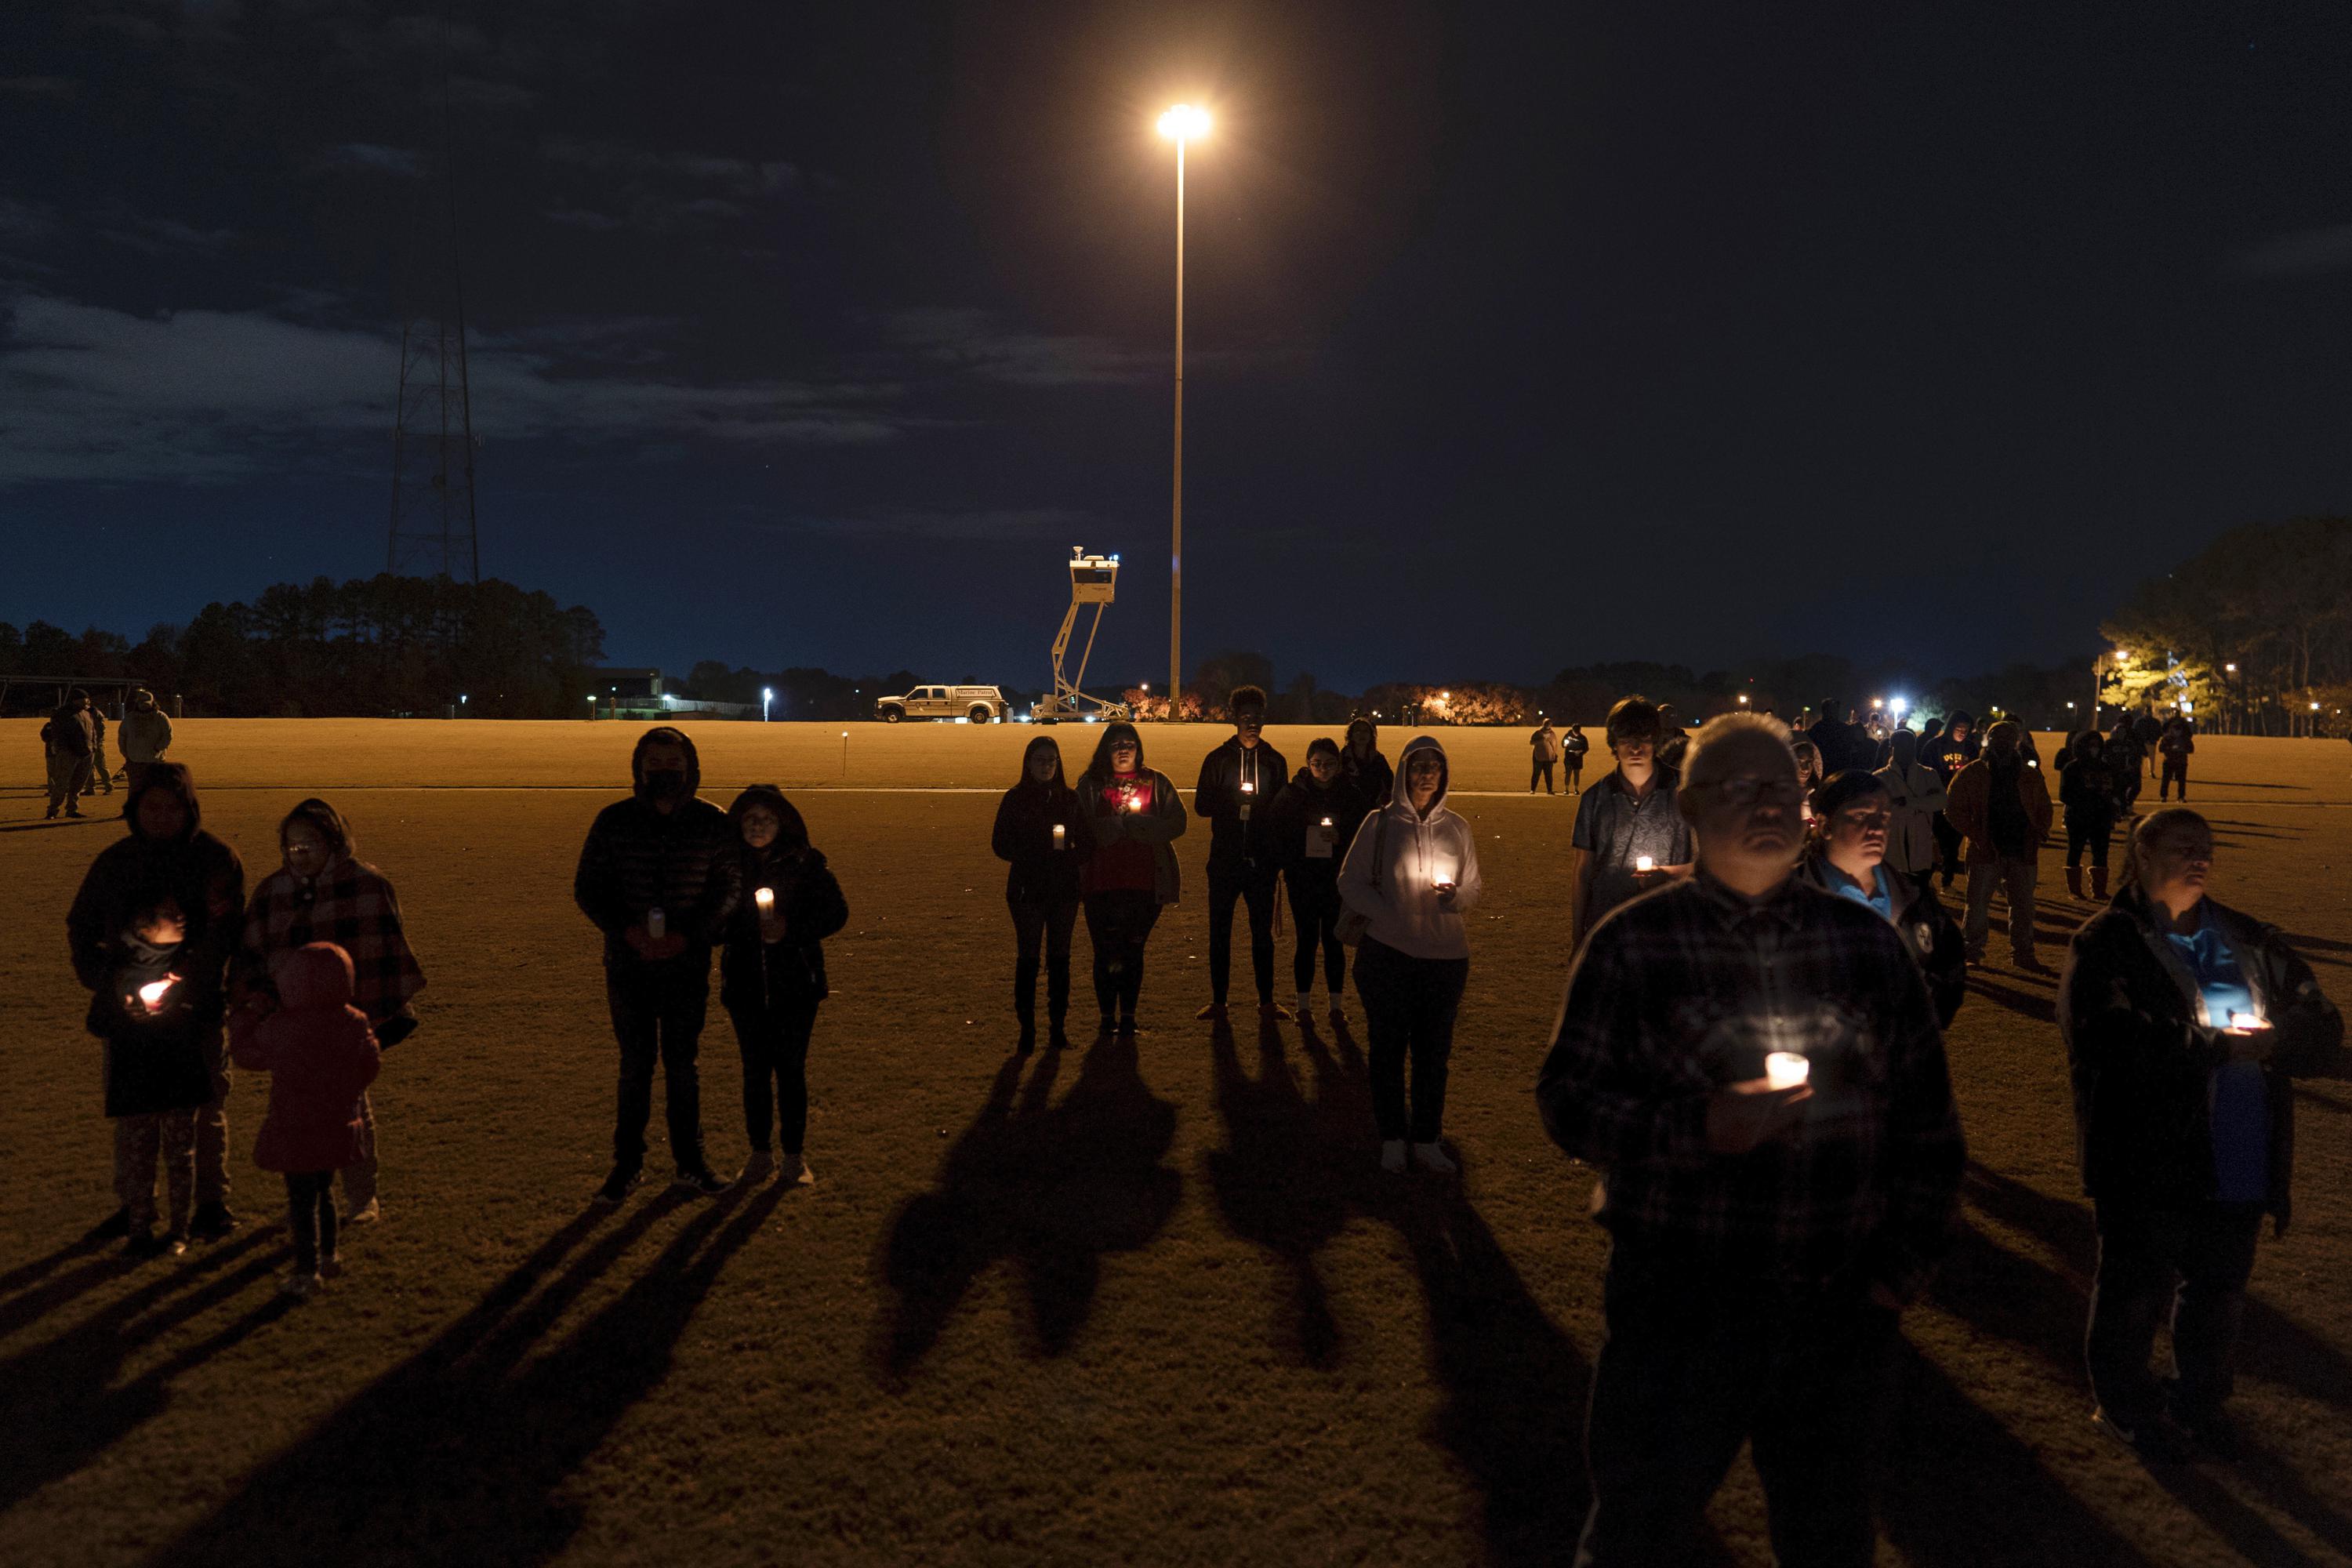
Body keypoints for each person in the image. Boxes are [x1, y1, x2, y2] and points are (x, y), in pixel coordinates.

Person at [1537, 713, 1965, 1567]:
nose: (1767, 803)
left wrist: (1894, 1276)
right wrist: (1695, 1127)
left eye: (1781, 786)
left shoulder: (1865, 945)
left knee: (1829, 1533)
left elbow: (1929, 1125)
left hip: (1836, 1310)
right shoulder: (1635, 944)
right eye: (1739, 787)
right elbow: (1570, 1101)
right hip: (1677, 1307)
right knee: (1640, 1526)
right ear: (1691, 805)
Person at [2060, 808, 2347, 1461]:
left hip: (2241, 1141)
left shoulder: (2246, 938)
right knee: (2136, 1286)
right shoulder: (2108, 942)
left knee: (2219, 1290)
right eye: (2183, 847)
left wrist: (2279, 1042)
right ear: (2141, 855)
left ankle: (2201, 1399)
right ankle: (2126, 1405)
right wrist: (2212, 1047)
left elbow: (2321, 1021)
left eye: (2207, 849)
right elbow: (2102, 1036)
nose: (2200, 858)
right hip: (2149, 1147)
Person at [67, 764, 246, 1240]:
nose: (163, 816)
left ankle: (211, 1202)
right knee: (133, 1111)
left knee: (205, 1107)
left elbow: (225, 932)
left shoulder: (214, 859)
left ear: (189, 808)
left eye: (173, 806)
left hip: (196, 1012)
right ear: (135, 809)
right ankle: (133, 1203)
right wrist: (104, 978)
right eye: (152, 806)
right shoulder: (117, 861)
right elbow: (81, 925)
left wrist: (189, 982)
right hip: (128, 1015)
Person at [234, 798, 425, 1225]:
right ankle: (308, 1197)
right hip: (291, 1026)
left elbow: (384, 953)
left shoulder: (367, 886)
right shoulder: (273, 891)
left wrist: (368, 1020)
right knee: (294, 1114)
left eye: (309, 845)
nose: (299, 854)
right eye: (291, 846)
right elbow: (251, 955)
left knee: (352, 1108)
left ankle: (362, 1198)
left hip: (345, 1023)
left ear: (333, 843)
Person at [573, 726, 742, 1204]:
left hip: (687, 966)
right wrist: (627, 933)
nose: (665, 771)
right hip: (628, 966)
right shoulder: (613, 821)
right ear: (639, 767)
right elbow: (589, 888)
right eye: (655, 762)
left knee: (683, 1066)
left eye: (673, 762)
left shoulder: (713, 822)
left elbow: (729, 889)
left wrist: (689, 937)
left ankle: (691, 1164)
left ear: (690, 766)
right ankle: (627, 1167)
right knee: (635, 1065)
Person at [1339, 736, 1481, 1175]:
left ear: (1443, 775)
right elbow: (1349, 881)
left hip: (1444, 958)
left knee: (1433, 1054)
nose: (1425, 775)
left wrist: (1455, 897)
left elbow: (1475, 887)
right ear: (1403, 773)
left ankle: (1426, 1138)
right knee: (1386, 1049)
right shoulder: (1380, 824)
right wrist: (1388, 914)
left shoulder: (1456, 828)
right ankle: (1392, 1137)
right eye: (1417, 766)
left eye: (1433, 767)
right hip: (1389, 955)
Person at [231, 943, 381, 1298]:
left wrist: (244, 1016)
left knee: (301, 1202)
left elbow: (249, 1055)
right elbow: (370, 1063)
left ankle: (306, 1270)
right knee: (325, 1193)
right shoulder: (353, 1021)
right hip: (337, 1122)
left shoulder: (284, 1026)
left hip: (296, 1126)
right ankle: (329, 1255)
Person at [722, 785, 848, 1186]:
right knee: (755, 1071)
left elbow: (836, 913)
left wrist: (788, 930)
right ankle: (760, 1154)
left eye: (767, 819)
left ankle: (794, 1157)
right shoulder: (728, 867)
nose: (758, 826)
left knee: (791, 1070)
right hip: (744, 984)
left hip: (796, 984)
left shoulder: (805, 864)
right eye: (751, 819)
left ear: (783, 824)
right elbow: (713, 921)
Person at [91, 890, 213, 1257]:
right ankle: (139, 1229)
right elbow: (96, 1022)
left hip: (180, 1074)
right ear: (143, 925)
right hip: (136, 1079)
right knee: (139, 1156)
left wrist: (180, 1007)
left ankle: (179, 1231)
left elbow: (209, 1013)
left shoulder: (191, 965)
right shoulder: (119, 969)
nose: (180, 917)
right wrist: (126, 1011)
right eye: (168, 913)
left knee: (181, 1156)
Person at [1801, 771, 1967, 1026]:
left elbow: (1949, 961)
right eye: (1861, 816)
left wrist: (1922, 1024)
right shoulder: (1785, 899)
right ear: (1825, 826)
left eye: (1884, 817)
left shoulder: (1914, 897)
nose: (1877, 828)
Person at [1076, 722, 1189, 1036]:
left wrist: (1144, 826)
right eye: (1116, 744)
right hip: (1101, 882)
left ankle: (1128, 1016)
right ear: (1105, 750)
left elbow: (1178, 822)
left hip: (1144, 883)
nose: (1123, 749)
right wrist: (1106, 830)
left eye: (1130, 743)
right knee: (1105, 951)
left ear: (1138, 749)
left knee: (1132, 951)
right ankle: (1105, 1018)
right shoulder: (1090, 784)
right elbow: (1077, 828)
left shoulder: (1156, 781)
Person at [1194, 686, 1290, 1021]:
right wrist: (1232, 800)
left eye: (1257, 718)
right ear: (1235, 719)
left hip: (1261, 864)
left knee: (1261, 934)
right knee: (1219, 932)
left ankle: (1267, 1002)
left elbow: (1283, 812)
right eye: (1246, 718)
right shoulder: (1217, 759)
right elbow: (1201, 806)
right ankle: (1219, 1002)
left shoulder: (1275, 761)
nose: (1253, 724)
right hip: (1224, 860)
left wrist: (1274, 855)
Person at [1571, 698, 1694, 951]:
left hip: (1669, 927)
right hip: (1607, 927)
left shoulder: (1685, 793)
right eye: (1627, 740)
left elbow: (1710, 866)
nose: (1636, 748)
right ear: (1614, 745)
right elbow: (1583, 872)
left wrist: (1668, 874)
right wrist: (1578, 937)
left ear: (1656, 740)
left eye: (1644, 738)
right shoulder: (1595, 798)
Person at [992, 737, 1090, 1053]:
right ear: (1028, 763)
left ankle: (1058, 1027)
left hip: (1063, 889)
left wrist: (1069, 856)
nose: (1046, 766)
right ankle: (1027, 1029)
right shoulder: (1015, 799)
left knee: (1060, 958)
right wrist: (1032, 852)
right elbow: (1000, 844)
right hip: (1027, 888)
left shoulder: (1070, 799)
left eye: (1051, 760)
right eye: (1040, 760)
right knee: (1029, 958)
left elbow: (1088, 843)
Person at [1265, 737, 1368, 1022]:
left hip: (1338, 880)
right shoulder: (1292, 794)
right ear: (1308, 763)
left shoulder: (1349, 794)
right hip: (1304, 880)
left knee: (1334, 942)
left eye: (1329, 764)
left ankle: (1336, 1007)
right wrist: (1299, 847)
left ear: (1338, 765)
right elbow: (1276, 832)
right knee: (1307, 941)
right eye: (1317, 764)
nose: (1322, 769)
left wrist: (1341, 838)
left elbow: (1364, 835)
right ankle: (1304, 1006)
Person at [1946, 720, 2053, 971]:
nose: (2002, 741)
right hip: (1986, 849)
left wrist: (2037, 835)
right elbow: (1953, 809)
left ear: (2016, 740)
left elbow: (2044, 808)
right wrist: (1977, 835)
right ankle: (1971, 951)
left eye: (2008, 736)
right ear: (1988, 739)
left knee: (2024, 905)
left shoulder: (2029, 774)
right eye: (1997, 736)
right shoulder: (1972, 772)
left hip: (2021, 849)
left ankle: (2023, 953)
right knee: (1977, 905)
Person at [2057, 731, 2123, 902]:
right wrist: (2086, 798)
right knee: (2075, 850)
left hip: (2101, 817)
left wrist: (2112, 804)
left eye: (2097, 745)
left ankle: (2099, 890)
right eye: (2091, 745)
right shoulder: (2072, 768)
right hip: (2078, 816)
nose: (2094, 749)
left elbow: (2114, 789)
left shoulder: (2106, 767)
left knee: (2101, 852)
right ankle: (2075, 891)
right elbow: (2064, 795)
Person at [1875, 730, 1947, 882]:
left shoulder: (1928, 774)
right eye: (1900, 746)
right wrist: (1922, 803)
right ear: (1891, 749)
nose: (1905, 750)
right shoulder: (1879, 778)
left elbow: (1941, 801)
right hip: (1892, 842)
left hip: (1920, 840)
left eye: (1909, 746)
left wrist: (1908, 802)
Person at [1921, 711, 1977, 890]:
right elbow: (1924, 773)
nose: (1962, 732)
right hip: (1938, 802)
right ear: (1951, 727)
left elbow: (1976, 772)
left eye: (1966, 729)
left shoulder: (1970, 748)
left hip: (1960, 804)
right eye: (1959, 728)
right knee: (1936, 844)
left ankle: (1947, 881)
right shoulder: (1934, 746)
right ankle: (1924, 881)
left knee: (1954, 845)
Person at [42, 688, 96, 818]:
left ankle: (72, 809)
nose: (87, 701)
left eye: (87, 699)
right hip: (69, 754)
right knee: (62, 783)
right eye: (84, 699)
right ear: (76, 700)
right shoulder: (62, 714)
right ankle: (53, 810)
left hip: (87, 753)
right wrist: (63, 749)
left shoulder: (87, 713)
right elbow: (58, 734)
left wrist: (93, 747)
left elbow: (93, 731)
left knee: (78, 784)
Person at [118, 688, 173, 795]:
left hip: (154, 761)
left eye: (147, 703)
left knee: (154, 790)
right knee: (134, 790)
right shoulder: (130, 718)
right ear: (137, 703)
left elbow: (168, 735)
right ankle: (134, 811)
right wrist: (126, 754)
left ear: (153, 703)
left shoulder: (161, 717)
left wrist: (158, 748)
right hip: (134, 761)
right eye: (142, 703)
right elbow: (122, 736)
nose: (144, 706)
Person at [1341, 717, 1393, 807]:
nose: (1362, 734)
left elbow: (1390, 783)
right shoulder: (1342, 758)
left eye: (1365, 731)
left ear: (1370, 735)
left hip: (1373, 808)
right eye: (1357, 731)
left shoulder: (1378, 759)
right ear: (1351, 735)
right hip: (1348, 808)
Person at [2106, 717, 2147, 815]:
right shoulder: (2110, 743)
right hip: (2116, 772)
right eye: (2119, 732)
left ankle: (2126, 807)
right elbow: (2105, 756)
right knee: (2119, 792)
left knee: (2134, 787)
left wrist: (2132, 766)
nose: (2122, 734)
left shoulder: (2129, 744)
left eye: (2123, 732)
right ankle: (2121, 811)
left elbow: (2136, 756)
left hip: (2127, 771)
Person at [2158, 713, 2195, 800]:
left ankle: (2181, 796)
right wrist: (2170, 749)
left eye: (2179, 730)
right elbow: (2161, 749)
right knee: (2166, 780)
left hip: (2181, 761)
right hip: (2169, 761)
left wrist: (2182, 749)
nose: (2177, 732)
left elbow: (2191, 750)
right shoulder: (2167, 738)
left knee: (2182, 780)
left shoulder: (2185, 739)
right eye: (2175, 730)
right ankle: (2164, 796)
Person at [85, 698, 114, 797]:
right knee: (89, 767)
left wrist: (97, 742)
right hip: (88, 744)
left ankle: (109, 786)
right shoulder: (87, 713)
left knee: (101, 766)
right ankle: (90, 788)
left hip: (96, 744)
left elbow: (101, 730)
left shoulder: (95, 713)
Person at [1790, 739, 1825, 817]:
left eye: (1809, 762)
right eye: (1799, 762)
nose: (1805, 770)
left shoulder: (1820, 795)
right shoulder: (1776, 796)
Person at [1530, 717, 1563, 794]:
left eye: (1549, 724)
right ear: (1544, 724)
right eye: (1547, 724)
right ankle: (1533, 789)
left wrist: (1554, 754)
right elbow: (1531, 742)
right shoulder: (1538, 733)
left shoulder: (1552, 734)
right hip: (1538, 757)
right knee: (1536, 774)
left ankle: (1549, 790)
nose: (1548, 725)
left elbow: (1555, 746)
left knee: (1549, 775)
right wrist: (1541, 740)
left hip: (1549, 757)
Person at [1563, 724, 1591, 793]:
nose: (1576, 732)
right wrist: (1565, 744)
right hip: (1569, 757)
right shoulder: (1568, 736)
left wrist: (1580, 752)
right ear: (1573, 730)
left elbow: (1586, 748)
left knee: (1577, 773)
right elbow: (1563, 744)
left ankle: (1576, 789)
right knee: (1568, 773)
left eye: (1578, 731)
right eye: (1575, 731)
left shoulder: (1583, 738)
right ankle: (1566, 789)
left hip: (1578, 758)